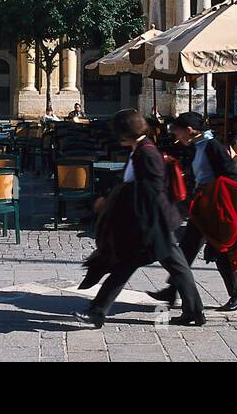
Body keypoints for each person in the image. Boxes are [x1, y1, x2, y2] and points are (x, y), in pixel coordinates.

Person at [77, 109, 205, 328]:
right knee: (168, 267)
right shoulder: (140, 149)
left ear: (124, 133)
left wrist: (125, 208)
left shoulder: (147, 152)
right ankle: (194, 312)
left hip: (152, 223)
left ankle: (97, 311)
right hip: (149, 222)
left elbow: (153, 190)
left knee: (144, 266)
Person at [149, 113, 237, 311]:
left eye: (178, 131)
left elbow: (231, 175)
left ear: (189, 131)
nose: (176, 135)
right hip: (202, 207)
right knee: (187, 250)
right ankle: (172, 290)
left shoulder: (212, 146)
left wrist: (216, 195)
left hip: (214, 208)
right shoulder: (197, 146)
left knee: (221, 252)